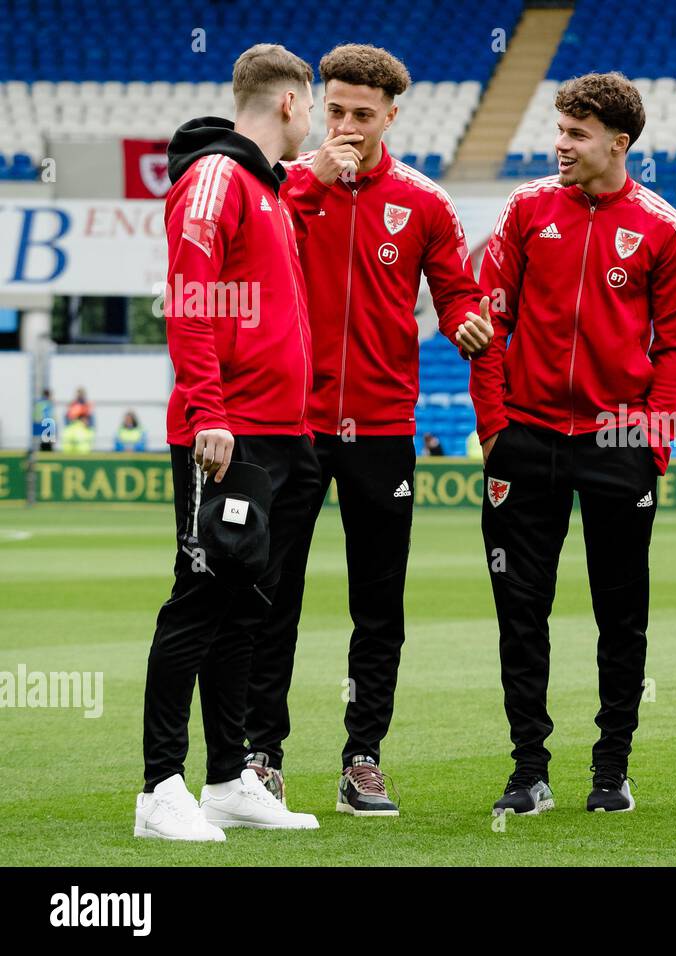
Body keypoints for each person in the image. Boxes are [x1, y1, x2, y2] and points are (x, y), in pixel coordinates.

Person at [247, 44, 493, 817]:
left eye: (363, 113)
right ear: (319, 107)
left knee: (377, 605)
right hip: (291, 424)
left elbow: (456, 290)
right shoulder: (282, 189)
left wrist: (467, 322)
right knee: (269, 594)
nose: (347, 124)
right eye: (337, 110)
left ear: (393, 114)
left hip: (384, 428)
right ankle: (261, 756)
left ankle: (363, 758)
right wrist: (302, 188)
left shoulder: (424, 202)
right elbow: (243, 256)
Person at [471, 71, 676, 815]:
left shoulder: (664, 227)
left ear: (617, 143)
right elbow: (489, 322)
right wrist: (494, 429)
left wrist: (651, 448)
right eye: (559, 130)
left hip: (618, 445)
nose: (560, 144)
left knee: (620, 614)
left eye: (575, 133)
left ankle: (611, 769)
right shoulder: (527, 208)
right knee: (521, 610)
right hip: (526, 440)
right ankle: (528, 769)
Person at [136, 43, 324, 842]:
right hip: (230, 433)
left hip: (279, 433)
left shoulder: (266, 187)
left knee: (247, 608)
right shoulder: (216, 177)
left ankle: (225, 781)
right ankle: (158, 788)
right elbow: (190, 299)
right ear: (288, 102)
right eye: (311, 105)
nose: (311, 120)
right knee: (200, 598)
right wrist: (209, 409)